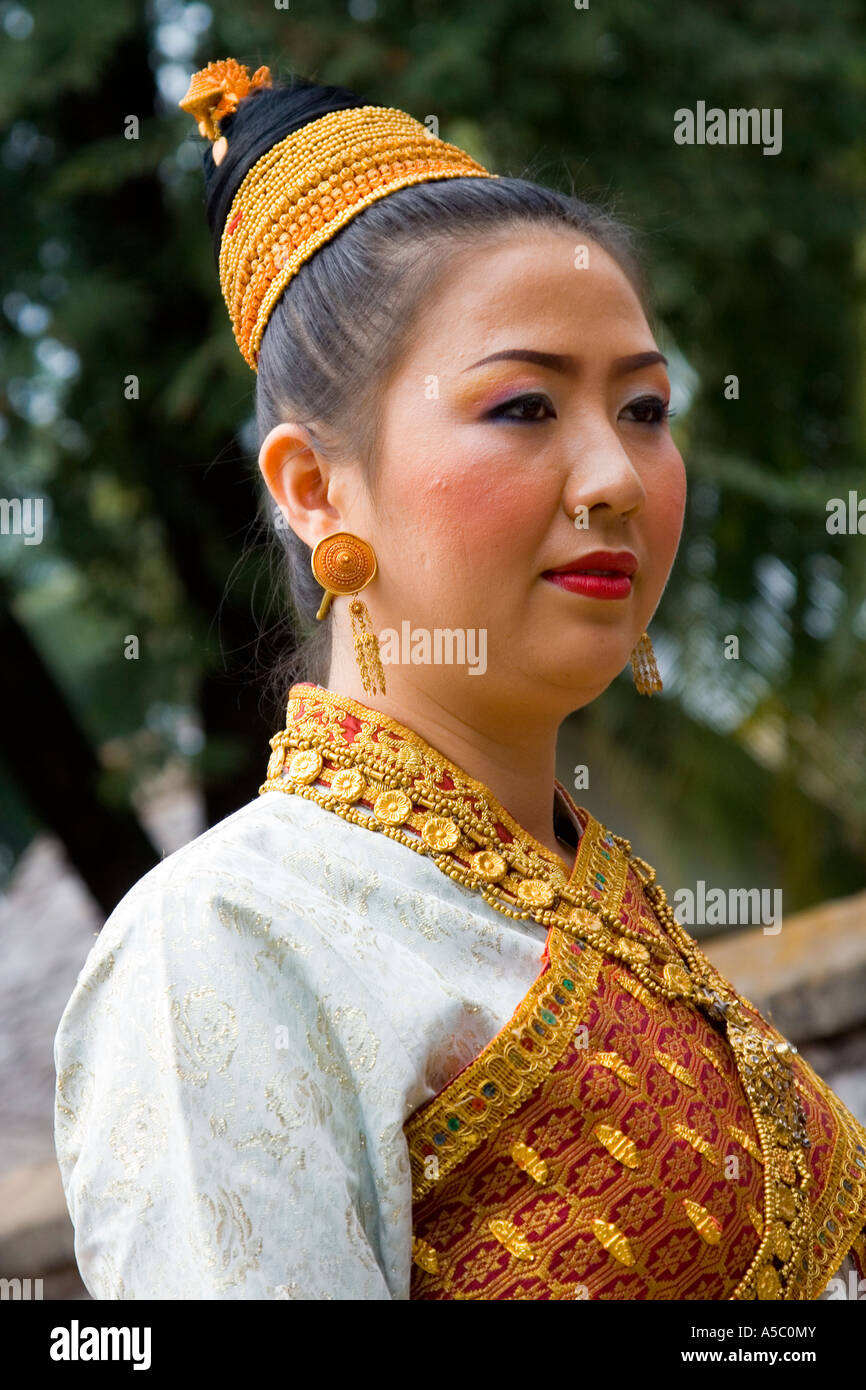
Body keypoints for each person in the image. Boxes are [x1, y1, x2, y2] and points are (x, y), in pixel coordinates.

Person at [53, 56, 866, 1301]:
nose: (611, 477)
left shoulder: (593, 891)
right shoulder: (222, 942)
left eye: (645, 409)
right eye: (525, 405)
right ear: (314, 485)